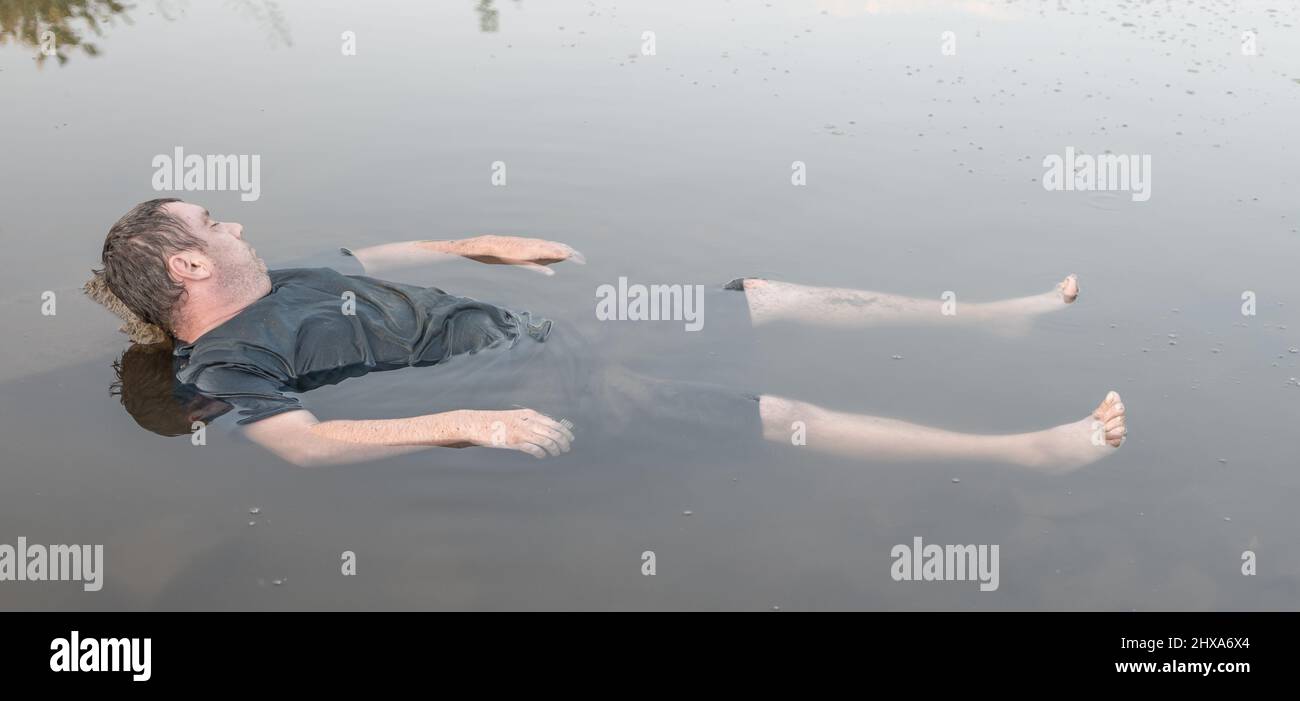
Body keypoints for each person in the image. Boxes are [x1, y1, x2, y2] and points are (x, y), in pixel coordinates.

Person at [92, 198, 1126, 469]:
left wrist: (485, 243)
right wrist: (466, 423)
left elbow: (386, 251)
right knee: (781, 416)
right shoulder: (225, 362)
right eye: (212, 224)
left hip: (544, 328)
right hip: (535, 384)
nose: (234, 223)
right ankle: (1026, 453)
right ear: (188, 265)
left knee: (754, 291)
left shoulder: (294, 269)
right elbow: (299, 443)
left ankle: (991, 321)